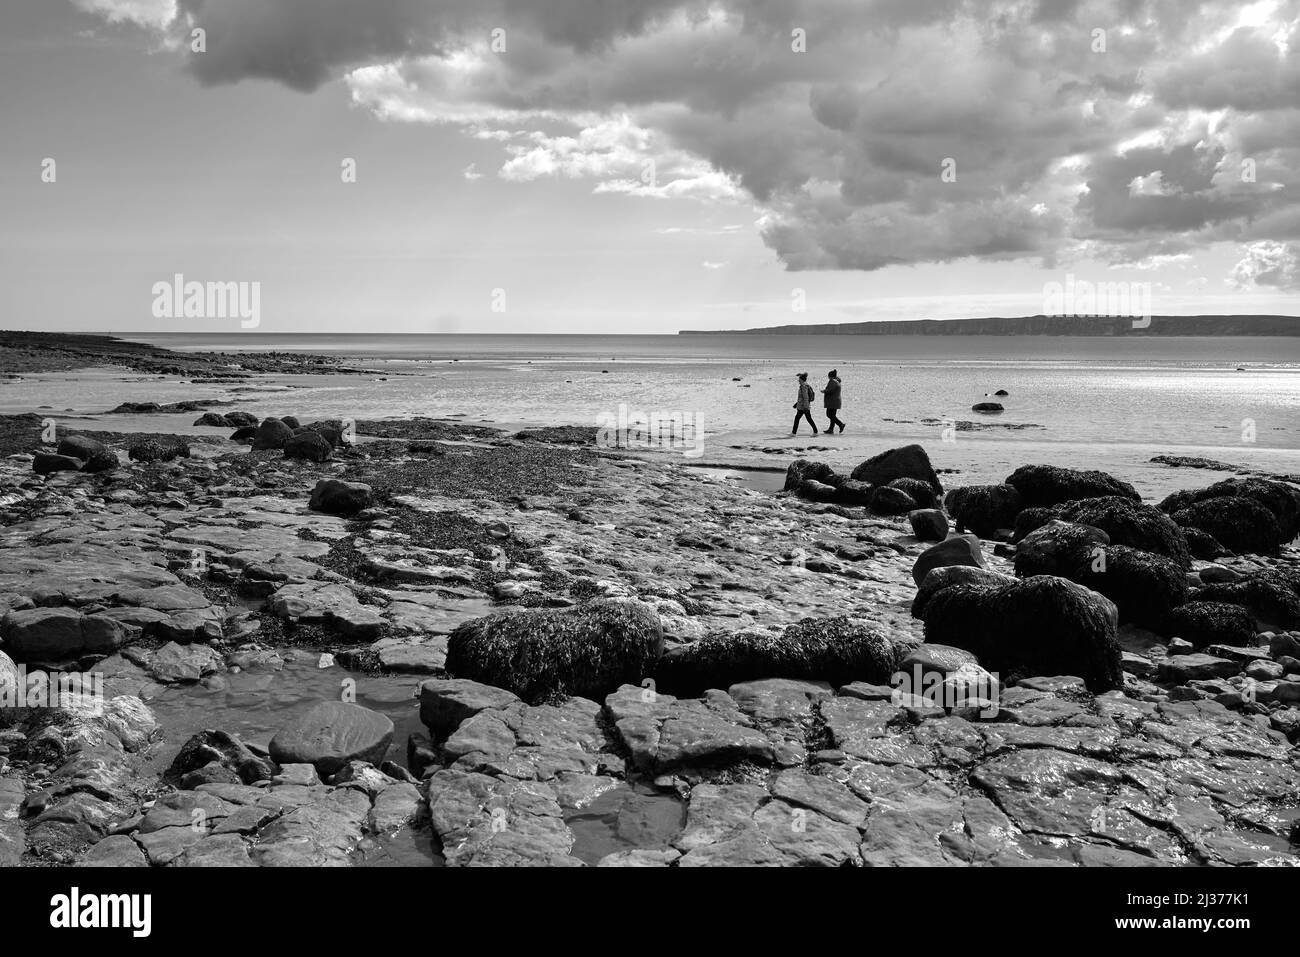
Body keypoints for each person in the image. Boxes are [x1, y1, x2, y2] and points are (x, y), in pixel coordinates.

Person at [822, 369, 845, 433]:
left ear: (830, 376)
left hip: (833, 401)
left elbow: (830, 390)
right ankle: (831, 429)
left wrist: (824, 391)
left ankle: (841, 424)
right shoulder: (836, 381)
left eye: (828, 376)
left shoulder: (833, 381)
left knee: (829, 415)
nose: (828, 377)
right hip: (835, 401)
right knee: (832, 415)